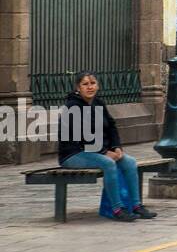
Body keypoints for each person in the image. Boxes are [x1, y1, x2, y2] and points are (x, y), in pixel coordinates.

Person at [58, 72, 156, 221]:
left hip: (97, 151)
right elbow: (82, 137)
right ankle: (117, 209)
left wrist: (116, 147)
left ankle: (136, 206)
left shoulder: (98, 103)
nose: (90, 87)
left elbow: (111, 127)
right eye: (85, 84)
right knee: (108, 163)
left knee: (129, 162)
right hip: (74, 153)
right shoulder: (73, 107)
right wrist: (104, 152)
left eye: (93, 83)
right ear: (78, 88)